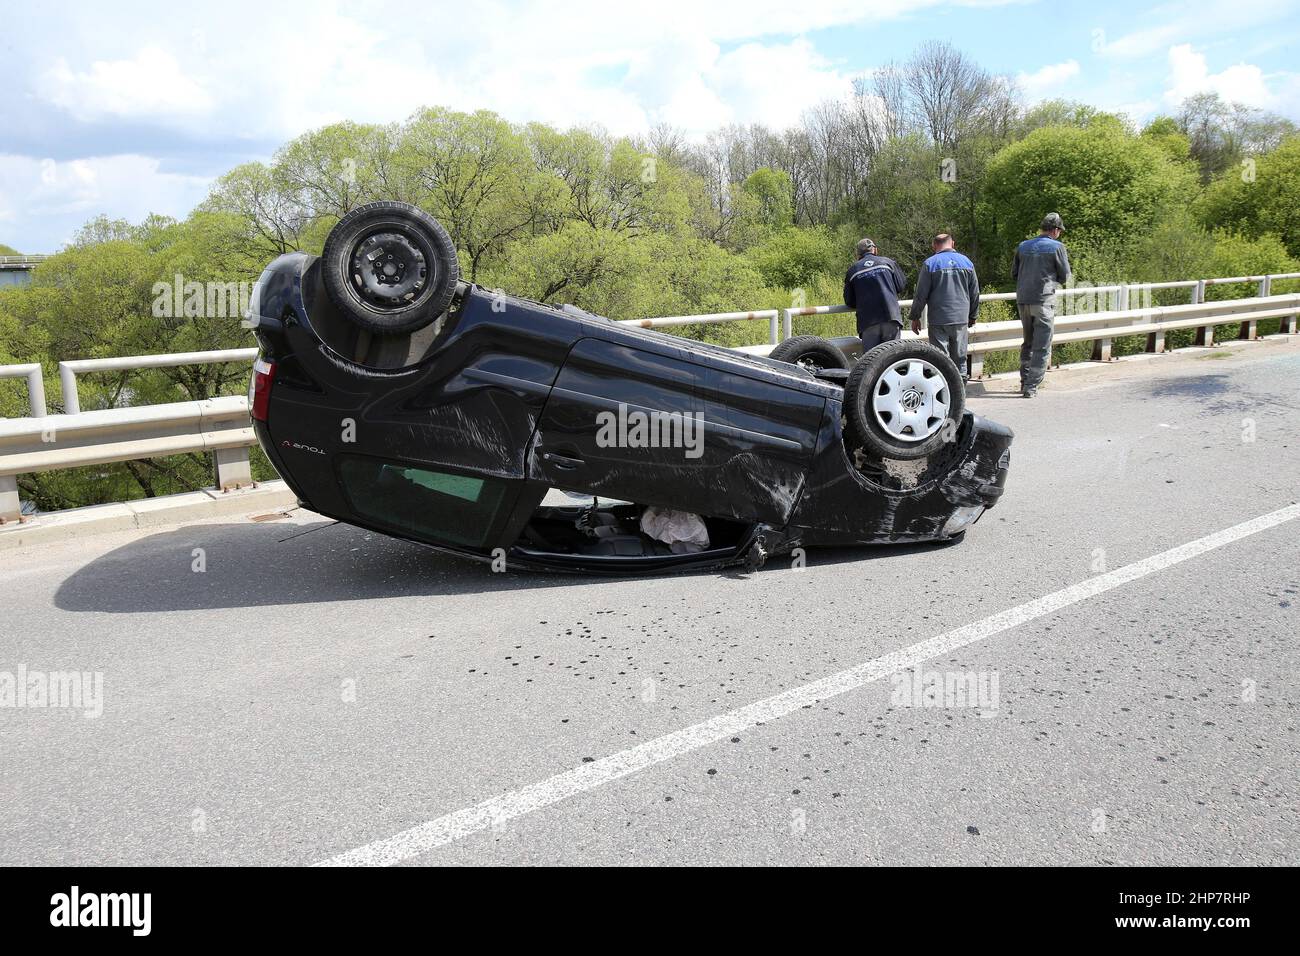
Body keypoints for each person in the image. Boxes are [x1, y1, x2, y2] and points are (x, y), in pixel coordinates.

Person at [1012, 212, 1072, 398]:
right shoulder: (1057, 247)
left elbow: (1014, 273)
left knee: (1028, 343)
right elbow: (1065, 276)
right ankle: (1031, 387)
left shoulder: (1023, 246)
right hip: (1043, 300)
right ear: (1055, 230)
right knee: (1042, 345)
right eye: (1059, 231)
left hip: (1023, 301)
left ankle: (1024, 381)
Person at [908, 233, 980, 381]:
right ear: (953, 244)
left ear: (934, 246)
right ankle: (960, 395)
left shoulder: (930, 264)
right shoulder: (967, 262)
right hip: (961, 319)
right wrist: (973, 315)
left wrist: (915, 317)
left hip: (938, 319)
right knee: (960, 359)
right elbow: (975, 292)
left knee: (940, 360)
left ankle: (945, 395)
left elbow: (921, 295)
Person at [844, 238, 907, 351]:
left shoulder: (853, 270)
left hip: (868, 322)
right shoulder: (888, 263)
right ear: (875, 250)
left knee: (871, 363)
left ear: (858, 254)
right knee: (891, 358)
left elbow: (849, 301)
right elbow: (900, 286)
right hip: (891, 317)